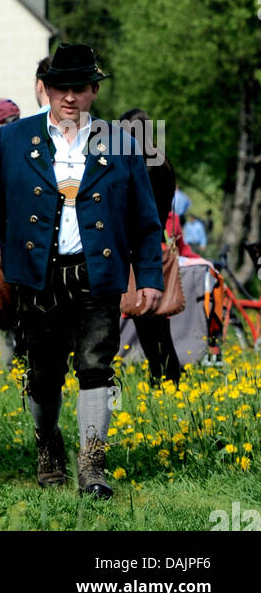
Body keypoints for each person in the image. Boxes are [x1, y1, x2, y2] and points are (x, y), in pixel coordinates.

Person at [0, 43, 163, 498]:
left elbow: (145, 220)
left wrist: (149, 279)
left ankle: (93, 465)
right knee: (43, 373)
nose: (69, 96)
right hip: (37, 275)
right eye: (61, 86)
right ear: (46, 89)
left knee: (96, 367)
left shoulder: (121, 144)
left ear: (93, 91)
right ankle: (48, 445)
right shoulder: (14, 139)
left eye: (79, 88)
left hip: (96, 275)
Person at [120, 107, 182, 386]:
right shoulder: (163, 163)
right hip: (156, 244)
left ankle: (163, 377)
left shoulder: (139, 168)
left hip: (137, 247)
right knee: (156, 321)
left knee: (144, 317)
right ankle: (167, 376)